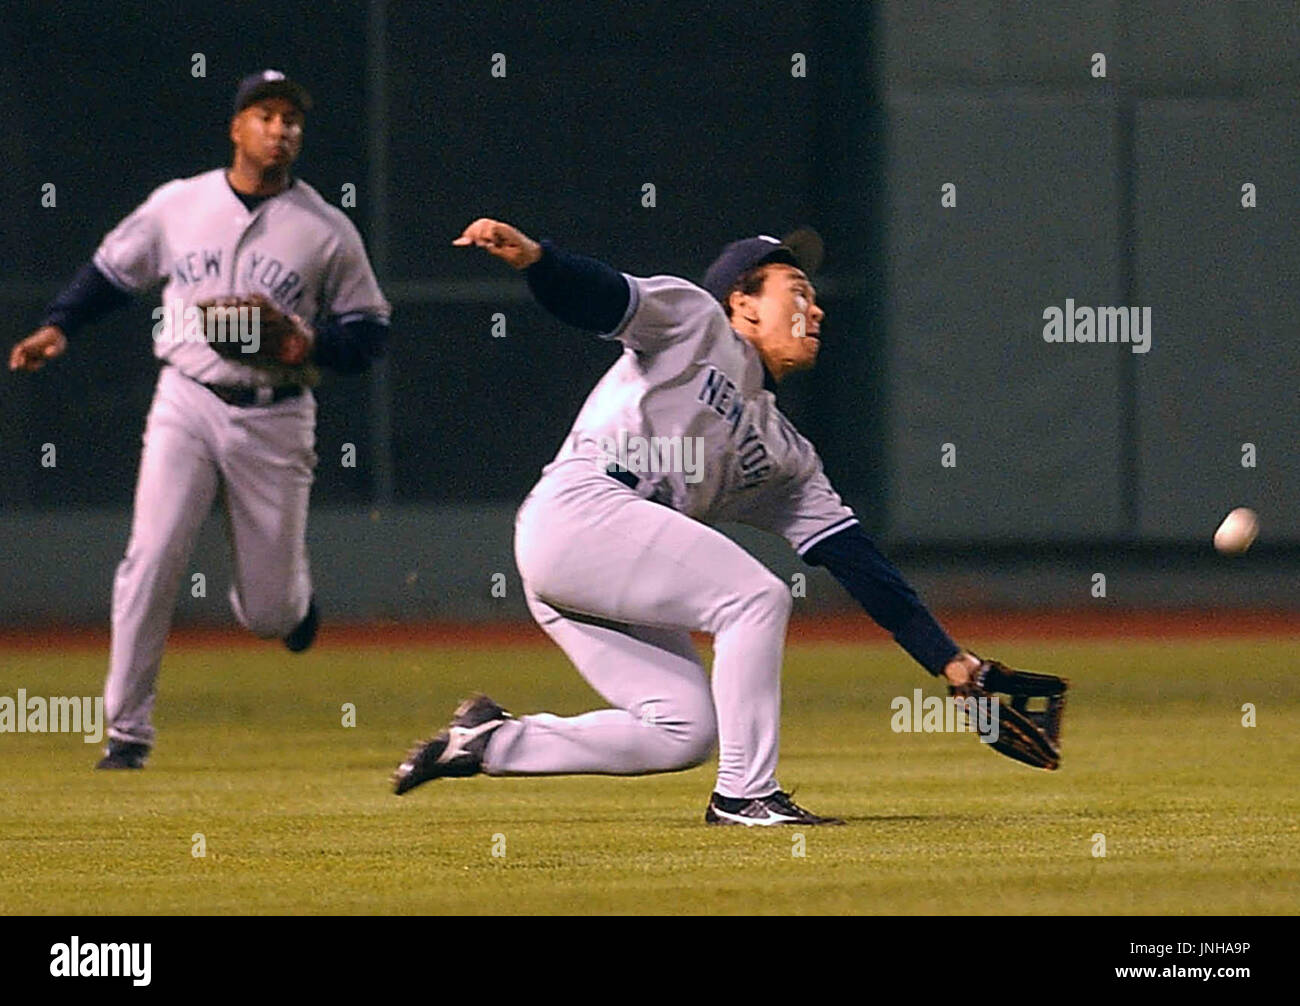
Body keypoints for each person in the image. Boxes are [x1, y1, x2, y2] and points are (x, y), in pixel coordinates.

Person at [392, 218, 991, 826]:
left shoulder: (786, 454)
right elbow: (602, 297)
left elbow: (857, 561)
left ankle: (488, 742)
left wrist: (949, 661)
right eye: (796, 290)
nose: (815, 311)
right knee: (755, 598)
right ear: (744, 304)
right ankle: (745, 795)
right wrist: (538, 260)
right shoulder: (697, 323)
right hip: (581, 510)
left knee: (682, 730)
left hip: (601, 562)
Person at [8, 71, 391, 769]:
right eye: (265, 115)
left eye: (291, 120)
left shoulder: (326, 229)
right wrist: (58, 326)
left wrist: (310, 344)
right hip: (186, 400)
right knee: (150, 557)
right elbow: (112, 271)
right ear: (236, 128)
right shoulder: (179, 205)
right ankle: (126, 735)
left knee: (268, 615)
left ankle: (294, 609)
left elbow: (370, 331)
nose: (281, 129)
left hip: (277, 417)